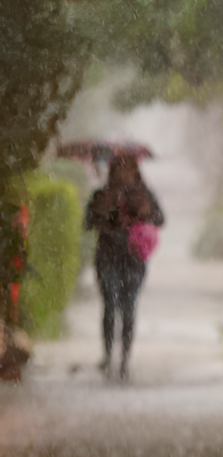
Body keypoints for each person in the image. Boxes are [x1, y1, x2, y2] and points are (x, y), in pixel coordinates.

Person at [85, 155, 164, 379]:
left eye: (127, 168)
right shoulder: (102, 194)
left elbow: (160, 219)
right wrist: (102, 210)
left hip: (133, 261)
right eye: (119, 168)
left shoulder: (143, 194)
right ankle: (108, 355)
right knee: (110, 305)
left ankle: (125, 358)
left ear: (135, 170)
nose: (123, 174)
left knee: (129, 308)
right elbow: (88, 222)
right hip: (107, 258)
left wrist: (145, 211)